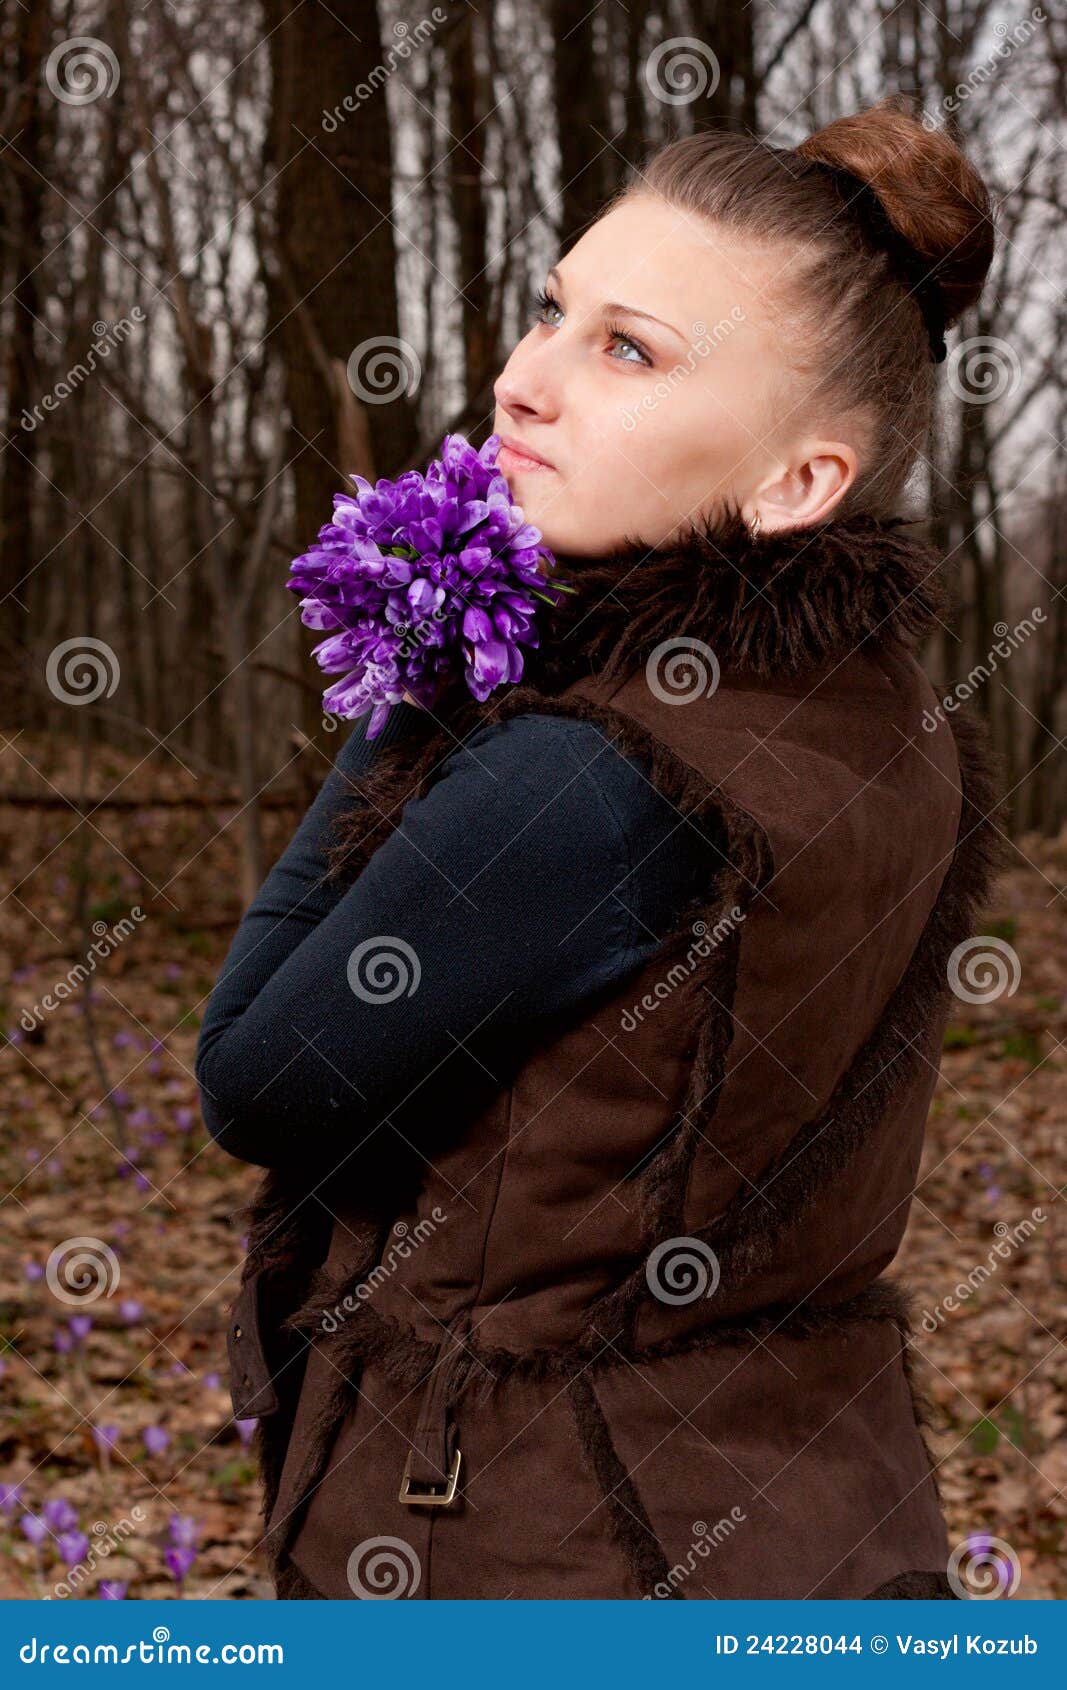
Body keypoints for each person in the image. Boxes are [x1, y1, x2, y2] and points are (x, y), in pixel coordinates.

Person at [196, 96, 1007, 1600]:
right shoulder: (887, 711)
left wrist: (415, 660)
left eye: (628, 350)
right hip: (817, 1518)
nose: (521, 385)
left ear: (798, 481)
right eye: (552, 314)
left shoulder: (597, 770)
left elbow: (256, 1073)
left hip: (524, 1542)